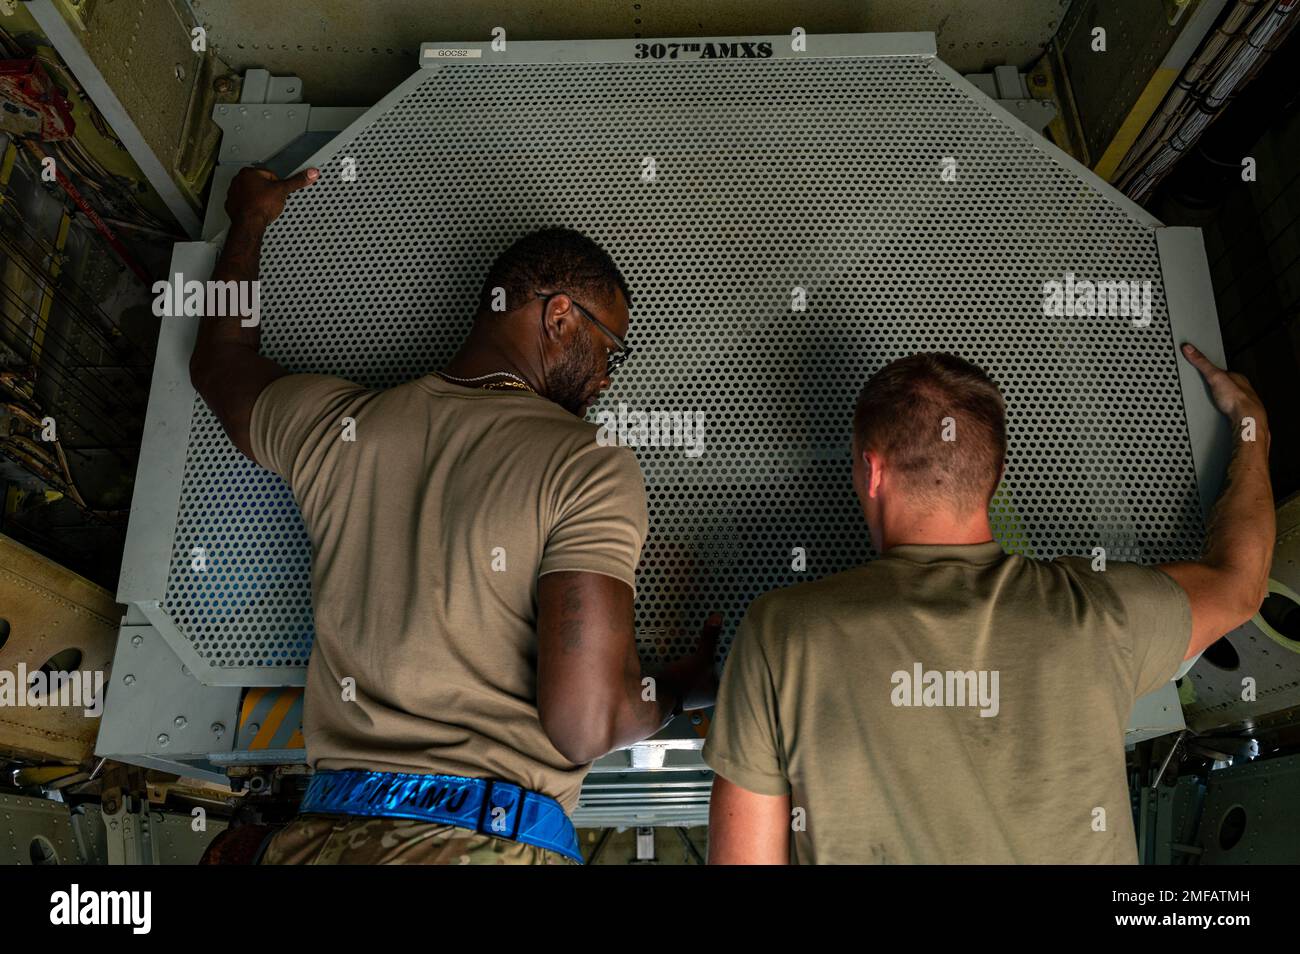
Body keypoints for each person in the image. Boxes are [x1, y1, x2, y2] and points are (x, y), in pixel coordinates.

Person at [189, 166, 716, 865]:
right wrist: (679, 688)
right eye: (609, 346)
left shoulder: (342, 426)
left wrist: (249, 222)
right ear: (559, 317)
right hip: (464, 841)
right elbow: (584, 723)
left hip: (327, 832)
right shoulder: (587, 462)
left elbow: (220, 362)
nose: (608, 376)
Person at [704, 349, 1273, 864]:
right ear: (995, 477)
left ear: (872, 471)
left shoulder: (779, 632)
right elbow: (1240, 585)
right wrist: (1253, 428)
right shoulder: (1101, 610)